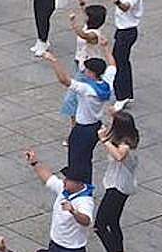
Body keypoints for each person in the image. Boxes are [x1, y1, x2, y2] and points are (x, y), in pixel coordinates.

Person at [43, 49, 114, 183]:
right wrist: (105, 47)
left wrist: (54, 60)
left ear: (92, 73)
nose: (84, 71)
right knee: (86, 158)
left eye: (86, 70)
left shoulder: (87, 89)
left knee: (76, 159)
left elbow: (64, 80)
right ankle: (84, 182)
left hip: (83, 129)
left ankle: (78, 183)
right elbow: (113, 66)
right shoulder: (106, 84)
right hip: (95, 126)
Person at [93, 110, 140, 252]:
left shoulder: (125, 145)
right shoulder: (127, 139)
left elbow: (119, 155)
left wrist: (104, 140)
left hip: (118, 187)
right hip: (119, 184)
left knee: (100, 224)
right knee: (113, 222)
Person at [99, 0, 143, 107]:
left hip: (126, 32)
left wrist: (117, 2)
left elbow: (126, 7)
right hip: (123, 30)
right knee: (124, 62)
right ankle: (128, 93)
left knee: (118, 63)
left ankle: (122, 96)